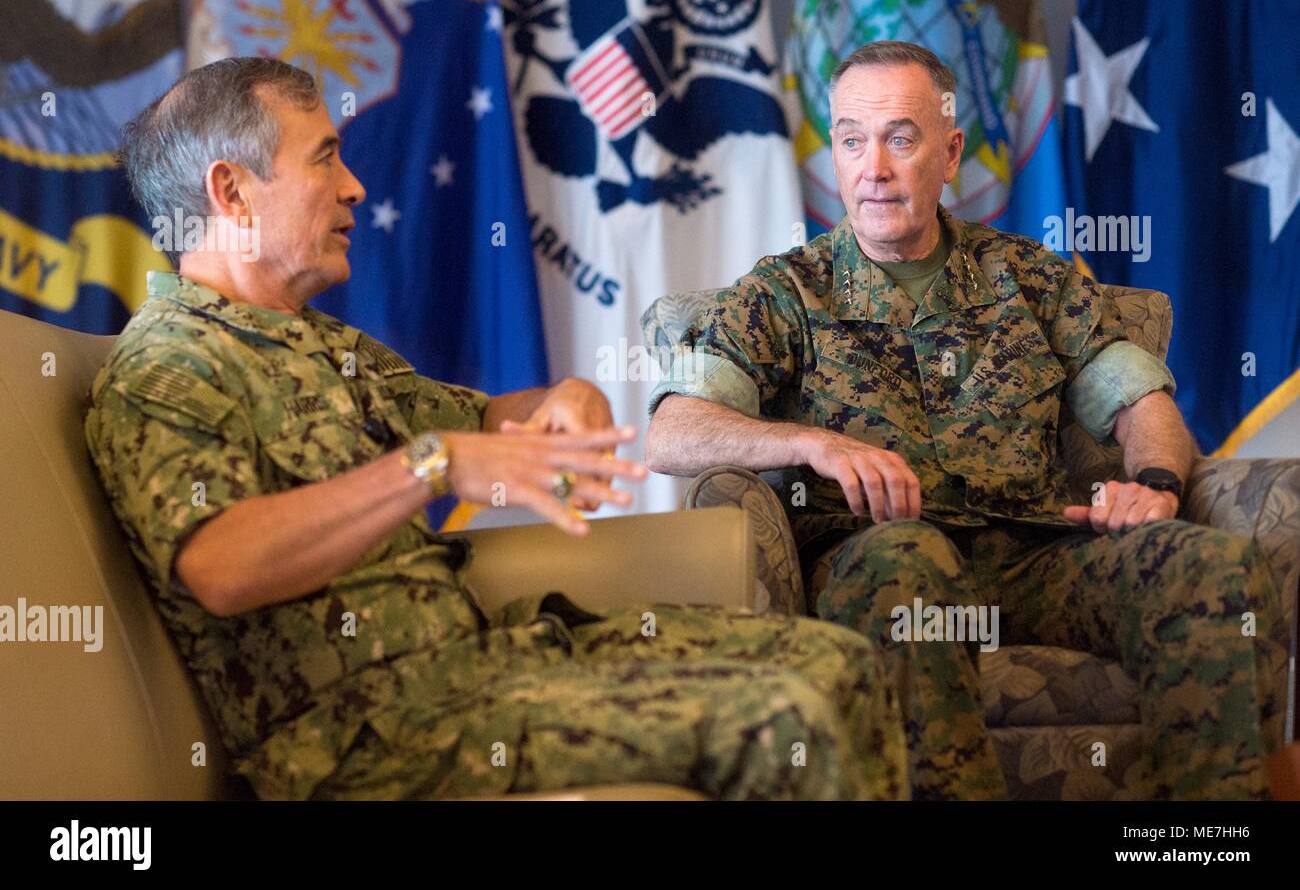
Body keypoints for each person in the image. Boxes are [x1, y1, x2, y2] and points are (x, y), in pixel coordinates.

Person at [84, 57, 906, 801]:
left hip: (486, 664)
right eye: (325, 156)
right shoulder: (167, 367)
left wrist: (570, 400)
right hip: (375, 739)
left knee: (839, 662)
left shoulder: (322, 346)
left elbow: (491, 419)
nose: (356, 188)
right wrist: (428, 467)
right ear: (231, 192)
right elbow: (221, 567)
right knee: (785, 717)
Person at [645, 40, 1287, 799]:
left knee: (1210, 568)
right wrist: (812, 443)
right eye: (851, 140)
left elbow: (1144, 404)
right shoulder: (785, 292)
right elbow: (672, 431)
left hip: (1033, 556)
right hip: (878, 560)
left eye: (900, 139)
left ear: (949, 154)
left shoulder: (1031, 278)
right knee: (908, 564)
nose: (873, 168)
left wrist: (1154, 481)